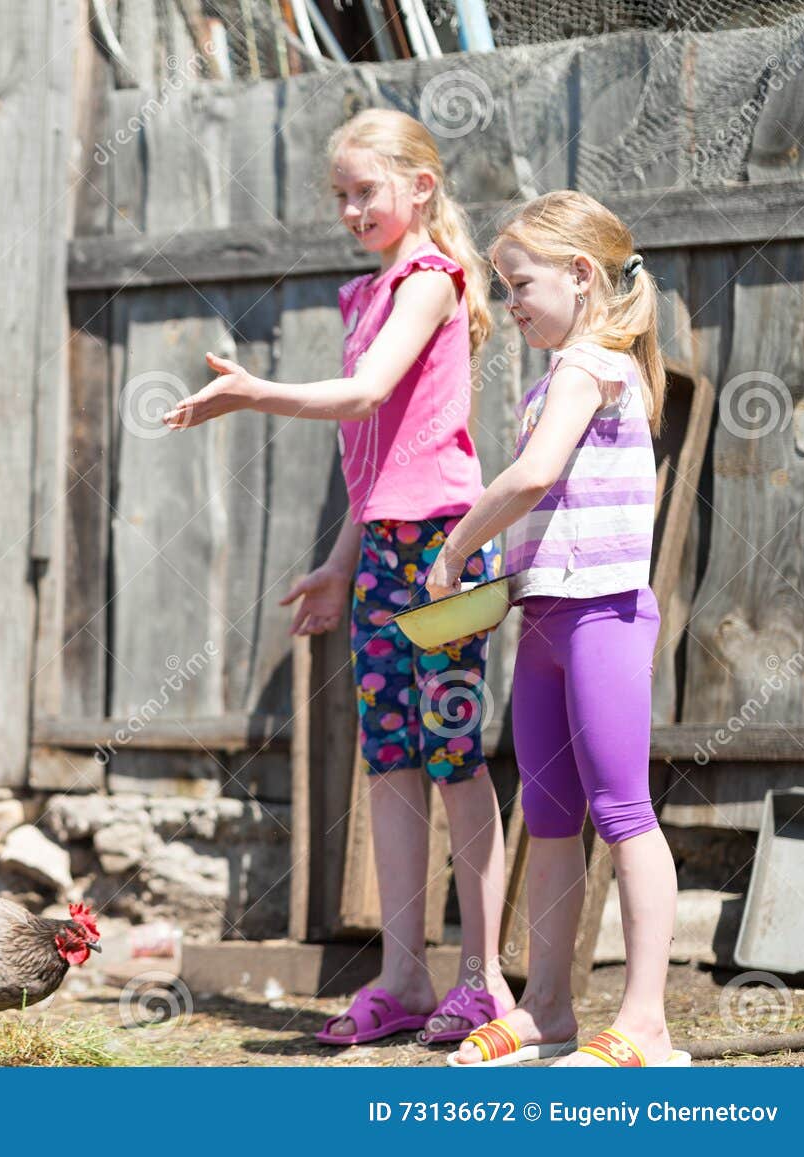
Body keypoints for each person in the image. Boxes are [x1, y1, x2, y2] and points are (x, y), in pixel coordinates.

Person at [165, 108, 512, 1045]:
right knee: (392, 760)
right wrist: (338, 563)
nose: (354, 209)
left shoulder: (431, 282)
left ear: (421, 188)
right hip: (384, 557)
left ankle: (486, 985)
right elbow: (376, 453)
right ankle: (403, 978)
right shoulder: (367, 294)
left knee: (452, 758)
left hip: (443, 554)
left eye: (369, 191)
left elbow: (363, 397)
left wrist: (252, 393)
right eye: (343, 196)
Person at [427, 190, 689, 1068]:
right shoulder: (554, 379)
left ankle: (645, 1021)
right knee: (548, 815)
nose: (510, 304)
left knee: (622, 810)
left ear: (582, 275)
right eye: (502, 287)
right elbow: (559, 508)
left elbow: (534, 477)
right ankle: (546, 1005)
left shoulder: (593, 365)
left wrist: (460, 544)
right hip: (543, 618)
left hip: (604, 616)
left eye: (519, 284)